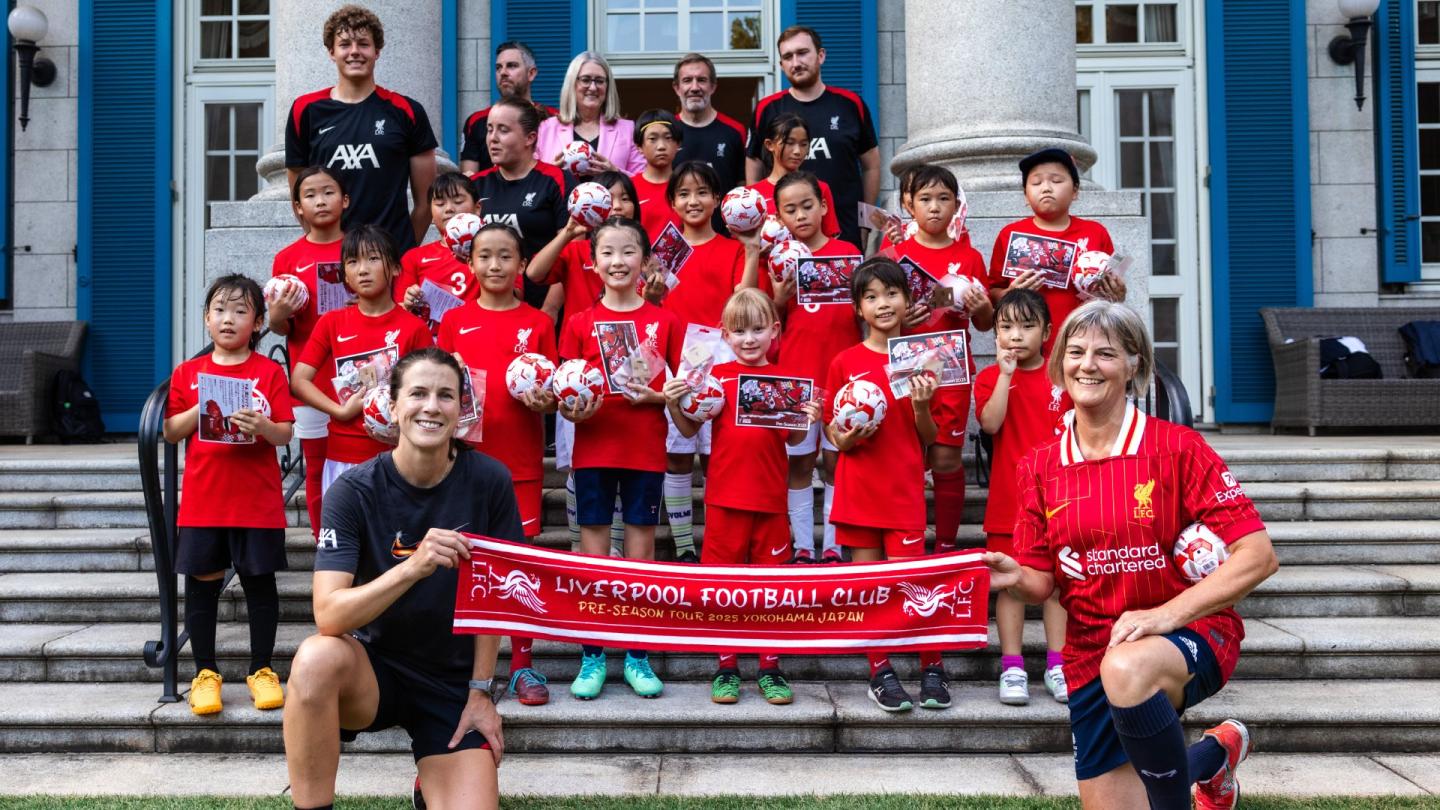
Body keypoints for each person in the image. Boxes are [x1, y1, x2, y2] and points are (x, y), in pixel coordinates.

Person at [985, 300, 1279, 810]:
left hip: (1189, 632)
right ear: (1060, 365)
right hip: (1089, 652)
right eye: (1075, 352)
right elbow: (1040, 582)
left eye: (1106, 353)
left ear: (1133, 364)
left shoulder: (1178, 447)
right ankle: (1212, 757)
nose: (1087, 365)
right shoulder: (1039, 465)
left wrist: (1164, 616)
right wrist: (1012, 575)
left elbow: (1258, 556)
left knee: (1126, 668)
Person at [283, 348, 517, 810]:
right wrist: (413, 565)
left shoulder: (489, 480)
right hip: (375, 672)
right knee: (315, 658)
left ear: (460, 409)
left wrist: (481, 693)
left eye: (446, 395)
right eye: (418, 393)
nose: (431, 406)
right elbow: (328, 615)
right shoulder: (352, 491)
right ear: (392, 406)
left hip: (451, 684)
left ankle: (429, 780)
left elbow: (497, 600)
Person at [664, 288, 813, 705]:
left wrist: (806, 417)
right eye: (739, 331)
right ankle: (726, 667)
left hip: (769, 501)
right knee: (722, 587)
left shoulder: (784, 382)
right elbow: (691, 431)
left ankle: (770, 667)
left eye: (758, 329)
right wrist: (677, 405)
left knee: (772, 590)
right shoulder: (715, 380)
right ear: (725, 336)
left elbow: (795, 438)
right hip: (725, 499)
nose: (749, 339)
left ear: (775, 331)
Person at [558, 216, 684, 700]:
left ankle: (637, 653)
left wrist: (656, 398)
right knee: (592, 555)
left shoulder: (665, 321)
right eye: (607, 252)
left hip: (645, 451)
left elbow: (680, 392)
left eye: (628, 251)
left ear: (645, 261)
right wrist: (571, 405)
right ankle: (593, 654)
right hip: (593, 449)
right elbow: (562, 395)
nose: (617, 261)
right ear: (592, 262)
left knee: (641, 556)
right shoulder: (579, 323)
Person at [436, 223, 558, 706]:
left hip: (520, 465)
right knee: (462, 563)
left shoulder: (539, 324)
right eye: (484, 256)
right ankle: (461, 668)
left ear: (521, 264)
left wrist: (545, 396)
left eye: (505, 256)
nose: (494, 265)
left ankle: (523, 666)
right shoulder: (454, 323)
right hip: (464, 464)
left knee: (516, 567)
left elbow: (551, 398)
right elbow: (441, 394)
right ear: (470, 264)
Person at [164, 274, 294, 716]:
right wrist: (197, 411)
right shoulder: (187, 373)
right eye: (220, 309)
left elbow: (284, 434)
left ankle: (261, 669)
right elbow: (169, 431)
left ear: (258, 323)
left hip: (257, 501)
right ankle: (205, 672)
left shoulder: (270, 372)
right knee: (202, 584)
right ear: (206, 319)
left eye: (241, 311)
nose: (228, 318)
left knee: (260, 583)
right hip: (205, 500)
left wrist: (263, 427)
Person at [822, 257, 948, 714]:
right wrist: (848, 436)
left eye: (891, 293)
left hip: (903, 492)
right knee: (872, 588)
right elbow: (834, 436)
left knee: (914, 585)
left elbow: (930, 437)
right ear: (858, 308)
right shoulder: (844, 362)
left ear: (908, 299)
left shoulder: (924, 358)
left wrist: (920, 406)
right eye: (871, 296)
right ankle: (881, 671)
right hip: (858, 491)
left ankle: (932, 667)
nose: (883, 303)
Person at [645, 161, 763, 563]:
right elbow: (649, 306)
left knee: (718, 455)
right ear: (672, 202)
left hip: (723, 358)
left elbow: (744, 303)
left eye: (701, 193)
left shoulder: (731, 248)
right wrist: (654, 296)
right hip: (677, 358)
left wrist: (750, 252)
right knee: (677, 454)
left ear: (718, 199)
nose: (692, 201)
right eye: (683, 194)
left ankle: (720, 539)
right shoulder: (663, 249)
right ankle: (683, 544)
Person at [525, 171, 640, 552]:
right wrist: (568, 232)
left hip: (626, 368)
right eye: (607, 198)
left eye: (623, 198)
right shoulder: (576, 249)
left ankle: (619, 550)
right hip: (578, 367)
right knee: (580, 465)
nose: (614, 205)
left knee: (623, 467)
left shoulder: (638, 254)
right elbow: (535, 273)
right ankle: (581, 549)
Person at [880, 165, 991, 555]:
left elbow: (985, 323)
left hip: (954, 369)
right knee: (906, 457)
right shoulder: (894, 254)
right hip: (906, 366)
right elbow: (877, 312)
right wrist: (900, 319)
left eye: (944, 199)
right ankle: (905, 542)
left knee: (945, 459)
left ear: (956, 205)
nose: (934, 207)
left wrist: (981, 307)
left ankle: (944, 544)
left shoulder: (970, 257)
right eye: (925, 199)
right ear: (909, 204)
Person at [975, 288, 1071, 706]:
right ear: (994, 334)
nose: (1016, 336)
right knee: (1011, 586)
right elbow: (991, 424)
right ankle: (1012, 667)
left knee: (1057, 586)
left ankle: (1058, 663)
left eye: (1027, 326)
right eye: (1006, 327)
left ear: (1047, 332)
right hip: (1009, 501)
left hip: (1063, 498)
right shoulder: (989, 378)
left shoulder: (1064, 376)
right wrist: (1005, 375)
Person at [291, 225, 434, 492]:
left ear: (394, 268)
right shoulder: (332, 323)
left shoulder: (414, 327)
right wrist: (339, 411)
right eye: (353, 261)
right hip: (342, 455)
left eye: (373, 258)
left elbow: (428, 390)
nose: (363, 269)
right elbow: (299, 380)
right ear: (344, 274)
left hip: (398, 457)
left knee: (396, 536)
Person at [285, 5, 437, 253]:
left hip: (390, 258)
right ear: (331, 52)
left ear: (377, 51)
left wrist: (401, 253)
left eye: (363, 44)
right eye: (345, 44)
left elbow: (426, 203)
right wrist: (322, 245)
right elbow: (299, 196)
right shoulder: (306, 110)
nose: (354, 52)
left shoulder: (407, 111)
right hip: (331, 259)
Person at [768, 171, 862, 564]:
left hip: (841, 375)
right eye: (790, 210)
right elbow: (767, 324)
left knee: (836, 463)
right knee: (800, 463)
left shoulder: (849, 255)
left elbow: (864, 316)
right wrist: (779, 296)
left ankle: (835, 547)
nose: (801, 215)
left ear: (824, 206)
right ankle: (803, 545)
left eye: (808, 205)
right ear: (779, 216)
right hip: (795, 375)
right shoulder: (776, 261)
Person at [745, 25, 879, 248]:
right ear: (781, 65)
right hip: (782, 236)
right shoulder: (766, 109)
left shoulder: (850, 104)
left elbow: (871, 166)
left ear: (821, 55)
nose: (796, 62)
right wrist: (759, 220)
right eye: (788, 57)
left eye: (802, 53)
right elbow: (753, 164)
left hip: (844, 231)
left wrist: (865, 224)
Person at [269, 166, 349, 538]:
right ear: (298, 207)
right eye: (311, 195)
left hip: (355, 375)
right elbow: (283, 327)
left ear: (345, 200)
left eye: (329, 192)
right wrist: (277, 317)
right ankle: (324, 541)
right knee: (315, 465)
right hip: (310, 380)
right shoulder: (287, 259)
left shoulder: (359, 249)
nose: (320, 201)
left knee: (362, 462)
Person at [987, 148, 1127, 354]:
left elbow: (1112, 289)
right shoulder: (1010, 235)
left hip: (1084, 343)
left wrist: (1118, 294)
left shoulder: (1095, 233)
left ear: (1075, 191)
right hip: (1028, 349)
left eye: (1056, 180)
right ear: (1026, 195)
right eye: (1036, 183)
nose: (1046, 188)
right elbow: (992, 293)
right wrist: (1010, 293)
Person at [472, 96, 568, 311]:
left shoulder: (557, 180)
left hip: (544, 307)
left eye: (503, 130)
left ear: (529, 138)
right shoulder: (475, 185)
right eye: (489, 129)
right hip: (489, 310)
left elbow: (571, 254)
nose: (492, 139)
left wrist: (549, 311)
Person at [671, 52, 747, 234]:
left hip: (725, 238)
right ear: (677, 87)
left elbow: (743, 187)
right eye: (687, 80)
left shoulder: (735, 132)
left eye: (702, 80)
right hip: (677, 242)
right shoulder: (666, 133)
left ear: (713, 86)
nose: (695, 87)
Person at [536, 52, 645, 177]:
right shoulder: (545, 129)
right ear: (572, 84)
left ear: (608, 86)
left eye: (599, 81)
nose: (593, 87)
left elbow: (642, 182)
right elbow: (530, 182)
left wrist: (615, 174)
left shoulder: (628, 129)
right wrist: (552, 174)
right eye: (585, 80)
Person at [460, 41, 557, 175]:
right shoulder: (477, 121)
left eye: (512, 66)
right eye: (499, 67)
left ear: (531, 73)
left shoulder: (554, 118)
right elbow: (469, 178)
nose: (503, 72)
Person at [394, 171, 483, 314]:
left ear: (477, 208)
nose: (449, 209)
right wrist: (408, 302)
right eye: (440, 203)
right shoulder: (413, 257)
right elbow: (399, 311)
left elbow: (514, 296)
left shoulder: (495, 249)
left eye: (458, 201)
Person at [748, 113, 840, 239]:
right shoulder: (751, 195)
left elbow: (830, 241)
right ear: (769, 145)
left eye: (803, 144)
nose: (797, 151)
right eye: (789, 143)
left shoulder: (820, 188)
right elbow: (742, 247)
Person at [630, 109, 684, 244]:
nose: (661, 146)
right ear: (639, 147)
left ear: (678, 144)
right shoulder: (628, 188)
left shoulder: (688, 186)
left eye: (668, 138)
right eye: (652, 139)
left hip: (687, 262)